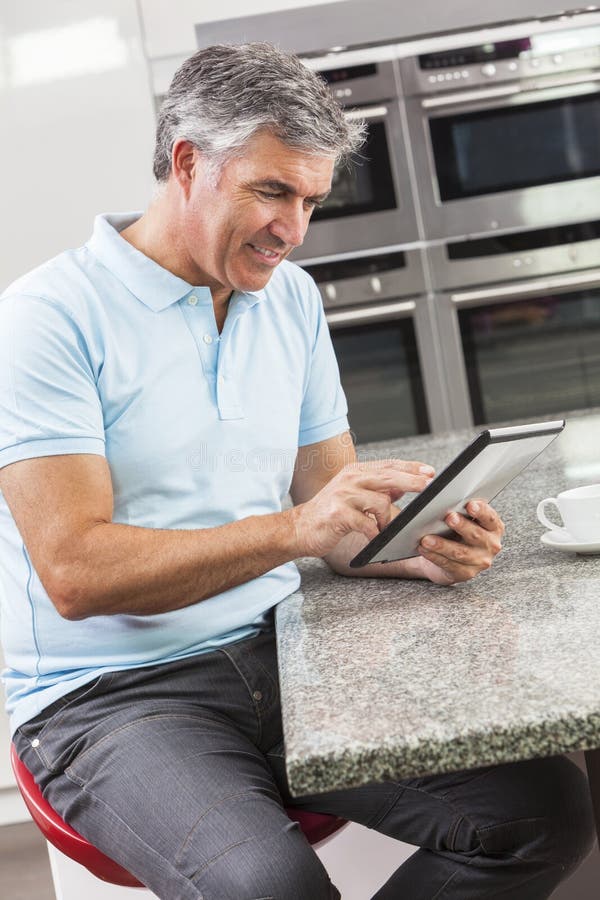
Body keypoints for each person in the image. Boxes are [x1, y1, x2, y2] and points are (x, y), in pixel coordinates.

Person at [0, 42, 593, 900]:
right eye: (272, 191)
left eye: (311, 199)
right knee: (271, 887)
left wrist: (417, 548)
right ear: (187, 164)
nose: (293, 229)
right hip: (108, 696)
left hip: (283, 649)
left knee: (542, 815)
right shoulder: (45, 321)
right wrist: (295, 531)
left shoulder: (291, 299)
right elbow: (75, 573)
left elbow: (331, 519)